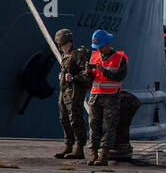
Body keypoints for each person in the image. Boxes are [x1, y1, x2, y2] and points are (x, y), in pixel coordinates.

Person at [86, 29, 128, 165]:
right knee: (93, 125)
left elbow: (119, 77)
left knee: (108, 126)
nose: (99, 49)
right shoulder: (94, 56)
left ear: (107, 44)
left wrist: (102, 70)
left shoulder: (119, 59)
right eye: (97, 47)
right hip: (95, 96)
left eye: (101, 47)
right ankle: (93, 154)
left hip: (111, 98)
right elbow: (90, 78)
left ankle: (103, 155)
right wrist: (88, 72)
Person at [53, 28, 91, 159]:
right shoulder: (66, 55)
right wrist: (62, 76)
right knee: (64, 118)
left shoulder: (77, 55)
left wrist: (73, 77)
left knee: (75, 119)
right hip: (64, 91)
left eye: (60, 44)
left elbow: (86, 73)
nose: (59, 47)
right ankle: (69, 144)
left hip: (74, 92)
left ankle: (79, 147)